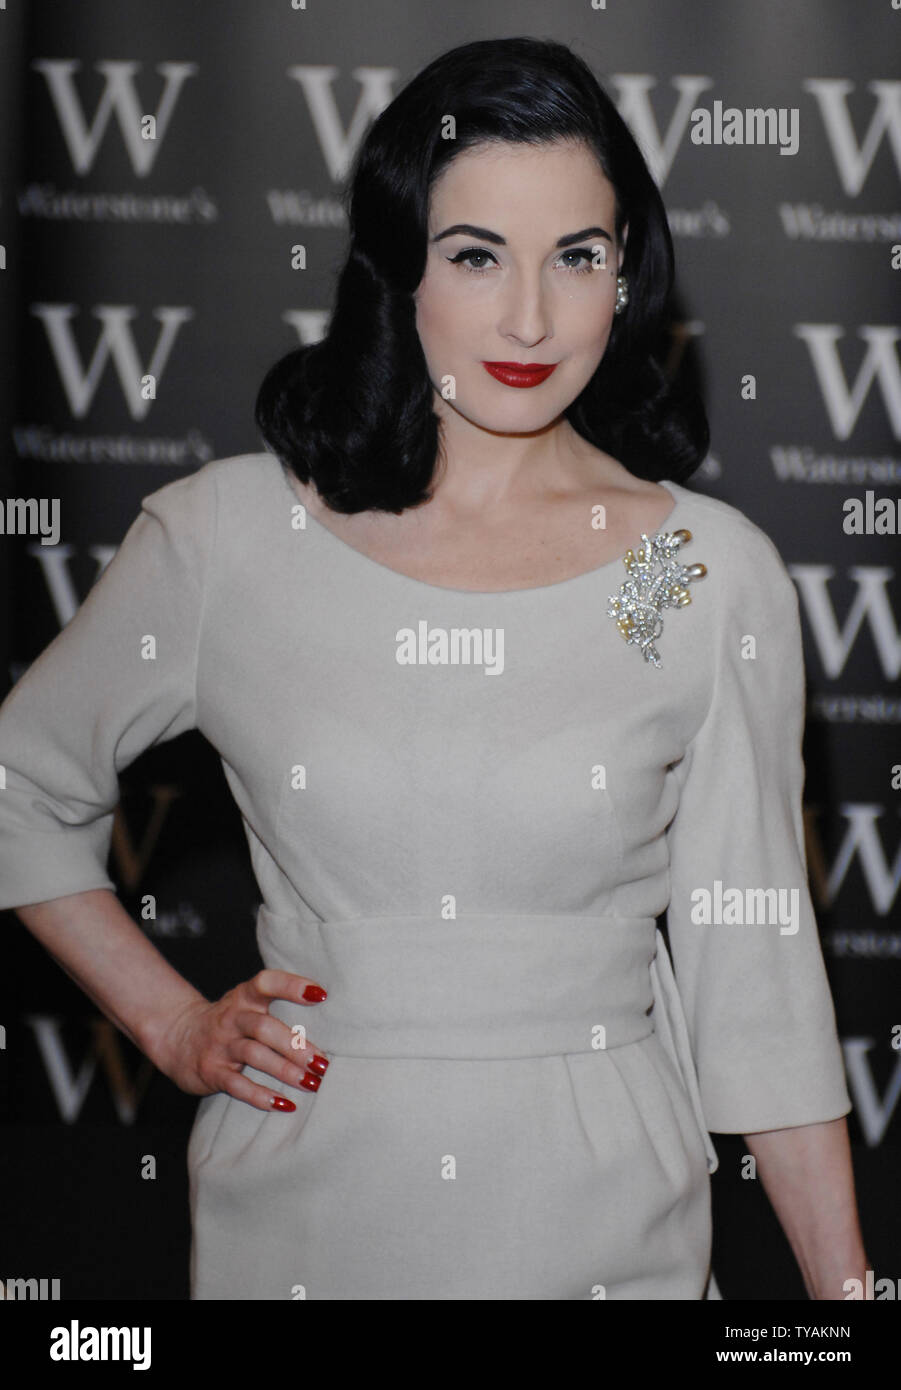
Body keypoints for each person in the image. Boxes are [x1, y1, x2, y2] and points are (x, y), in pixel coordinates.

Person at [0, 36, 868, 1300]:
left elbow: (760, 988)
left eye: (577, 255)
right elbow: (19, 786)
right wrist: (170, 1021)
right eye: (475, 255)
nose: (530, 318)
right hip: (299, 1206)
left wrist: (844, 1309)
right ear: (397, 264)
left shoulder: (703, 570)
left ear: (627, 272)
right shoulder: (227, 538)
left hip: (610, 1216)